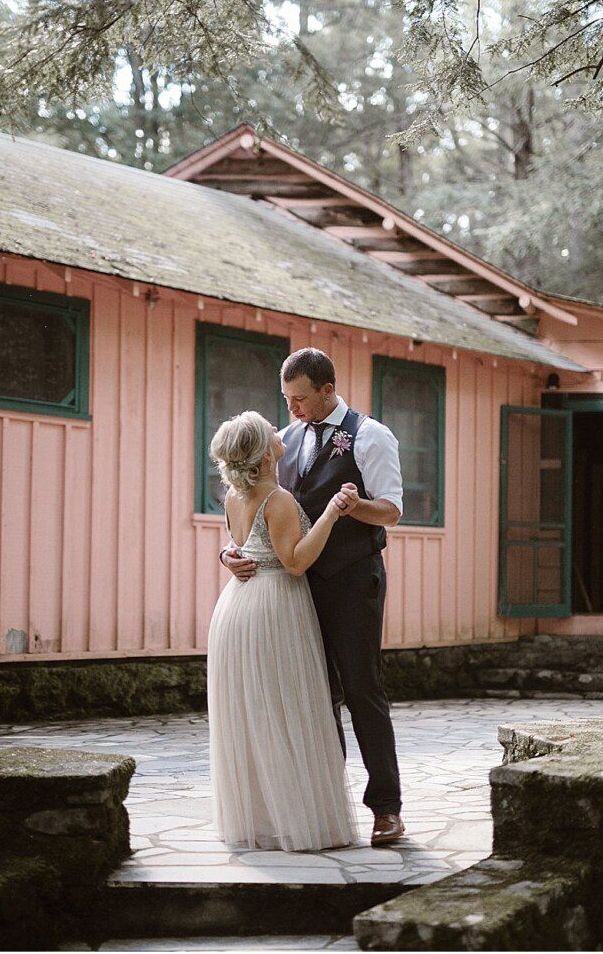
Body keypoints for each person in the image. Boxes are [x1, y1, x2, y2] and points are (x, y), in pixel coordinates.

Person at [220, 348, 406, 846]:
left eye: (300, 399)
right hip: (293, 589)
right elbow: (253, 506)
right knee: (313, 697)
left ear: (328, 389)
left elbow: (390, 512)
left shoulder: (371, 435)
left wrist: (352, 505)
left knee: (363, 690)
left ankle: (386, 808)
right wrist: (229, 552)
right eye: (286, 400)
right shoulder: (284, 440)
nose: (292, 410)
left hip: (351, 582)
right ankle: (326, 805)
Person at [207, 411, 360, 850]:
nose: (279, 431)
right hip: (274, 607)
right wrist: (330, 514)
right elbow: (295, 562)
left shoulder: (234, 497)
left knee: (255, 715)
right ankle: (295, 820)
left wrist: (225, 555)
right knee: (285, 710)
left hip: (236, 608)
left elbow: (238, 547)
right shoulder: (278, 500)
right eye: (270, 430)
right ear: (262, 450)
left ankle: (261, 820)